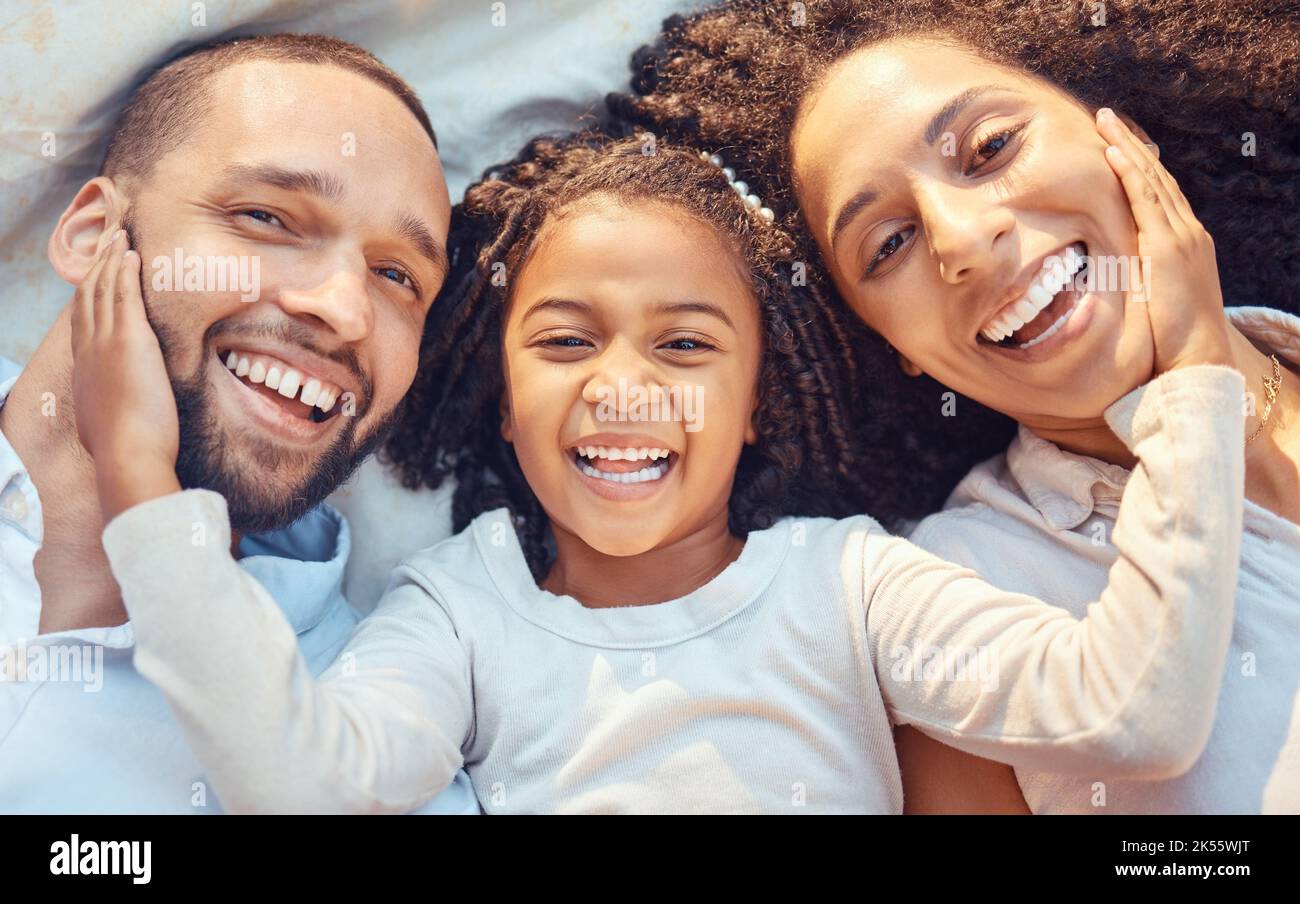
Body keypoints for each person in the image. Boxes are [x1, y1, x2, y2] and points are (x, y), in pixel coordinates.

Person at [75, 129, 1244, 814]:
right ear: (503, 397)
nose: (622, 388)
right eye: (566, 341)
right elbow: (300, 786)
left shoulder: (854, 588)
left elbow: (1132, 715)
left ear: (752, 408)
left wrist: (1193, 378)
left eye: (684, 346)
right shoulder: (460, 611)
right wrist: (138, 472)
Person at [617, 0, 1300, 812]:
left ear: (1128, 135)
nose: (961, 241)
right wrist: (1194, 378)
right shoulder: (960, 600)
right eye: (889, 244)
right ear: (892, 343)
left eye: (990, 148)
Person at [0, 33, 475, 814]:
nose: (345, 310)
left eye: (397, 276)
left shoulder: (368, 740)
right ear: (93, 236)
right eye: (267, 217)